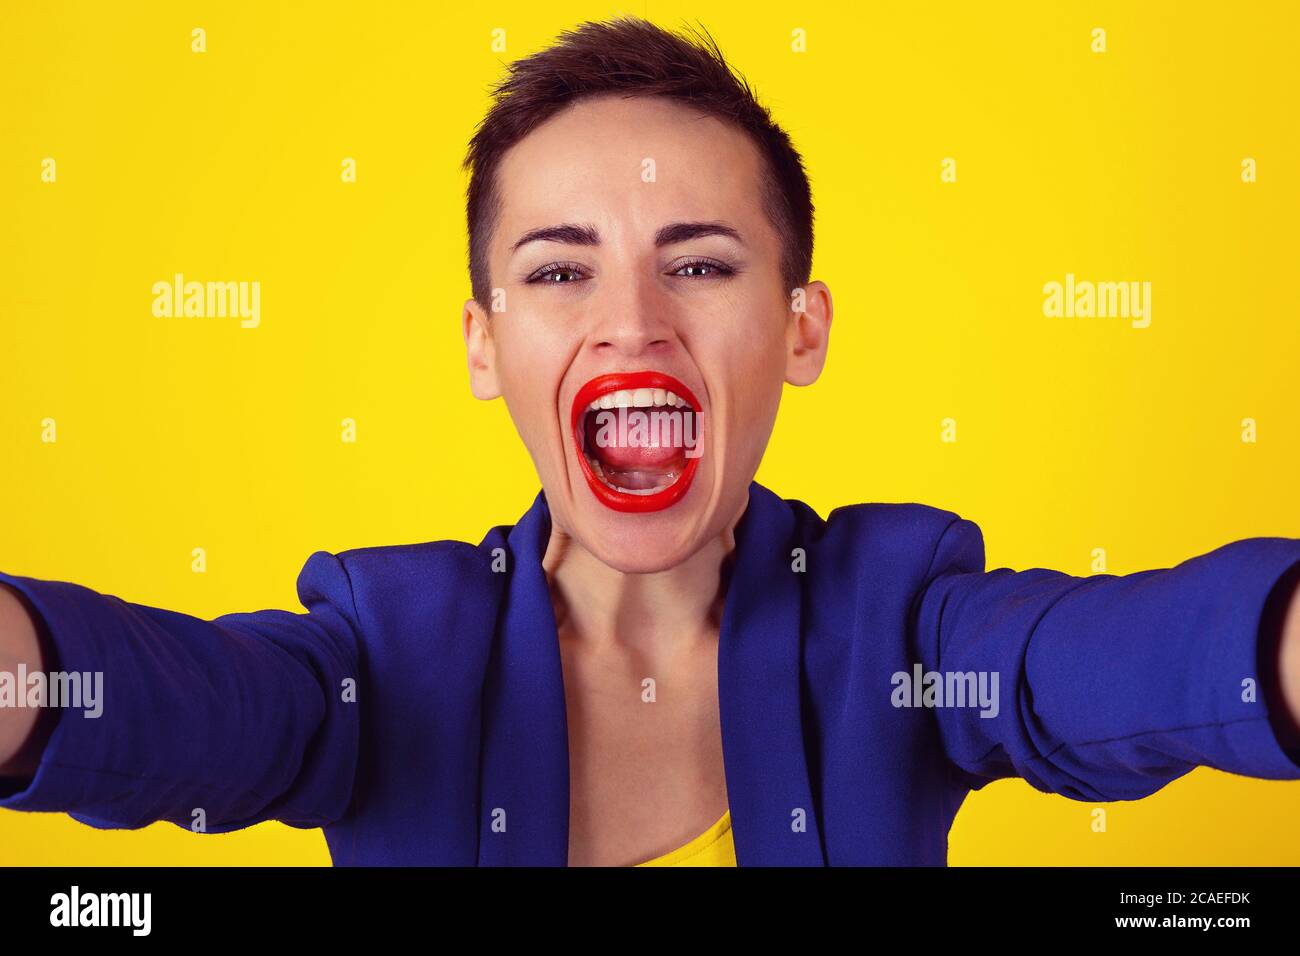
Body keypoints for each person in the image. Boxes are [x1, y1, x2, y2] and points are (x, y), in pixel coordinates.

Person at [2, 16, 1299, 867]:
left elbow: (1089, 668)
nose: (632, 324)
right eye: (561, 274)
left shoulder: (900, 625)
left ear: (801, 329)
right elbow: (204, 713)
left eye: (702, 264)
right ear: (481, 344)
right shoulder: (388, 646)